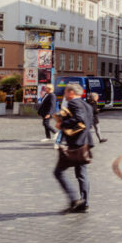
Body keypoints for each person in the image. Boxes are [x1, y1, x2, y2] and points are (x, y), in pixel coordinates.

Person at [54, 83, 93, 214]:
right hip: (84, 143)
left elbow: (79, 119)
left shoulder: (73, 104)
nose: (64, 94)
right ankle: (84, 203)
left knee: (58, 172)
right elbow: (89, 123)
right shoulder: (87, 105)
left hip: (74, 145)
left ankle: (74, 199)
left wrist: (62, 124)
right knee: (82, 174)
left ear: (71, 92)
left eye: (66, 92)